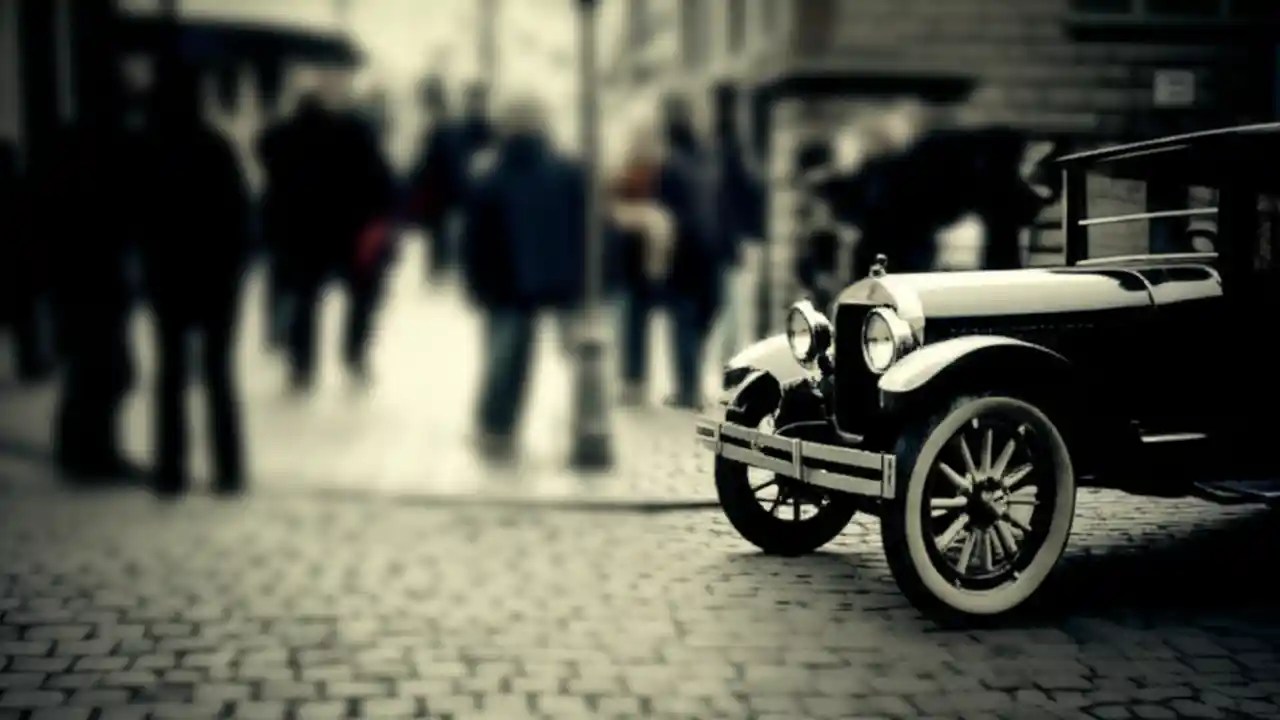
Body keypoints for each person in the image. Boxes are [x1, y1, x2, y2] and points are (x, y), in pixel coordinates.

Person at [134, 66, 252, 495]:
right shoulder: (216, 148)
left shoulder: (150, 150)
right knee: (218, 373)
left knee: (171, 374)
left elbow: (138, 218)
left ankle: (171, 468)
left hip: (170, 276)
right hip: (216, 278)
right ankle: (228, 469)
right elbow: (241, 217)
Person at [32, 72, 143, 480]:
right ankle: (89, 450)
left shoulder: (72, 145)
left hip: (83, 274)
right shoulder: (100, 150)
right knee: (103, 367)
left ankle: (86, 448)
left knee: (95, 367)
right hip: (91, 274)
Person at [460, 95, 585, 459]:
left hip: (514, 282)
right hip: (522, 281)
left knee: (509, 359)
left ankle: (497, 427)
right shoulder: (554, 169)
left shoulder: (497, 171)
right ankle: (497, 427)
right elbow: (476, 235)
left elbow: (473, 237)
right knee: (512, 359)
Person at [257, 67, 396, 390]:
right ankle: (354, 357)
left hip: (306, 233)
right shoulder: (358, 131)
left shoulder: (284, 134)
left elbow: (269, 163)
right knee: (360, 297)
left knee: (306, 299)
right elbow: (382, 181)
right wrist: (380, 219)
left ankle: (303, 365)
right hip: (350, 232)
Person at [657, 94, 726, 411]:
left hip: (683, 251)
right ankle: (692, 386)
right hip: (711, 251)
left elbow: (664, 214)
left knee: (684, 322)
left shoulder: (670, 163)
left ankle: (689, 389)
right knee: (699, 319)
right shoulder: (710, 157)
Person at [608, 118, 673, 406]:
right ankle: (631, 382)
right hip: (629, 263)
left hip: (644, 264)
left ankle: (635, 382)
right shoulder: (623, 175)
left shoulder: (658, 174)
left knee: (636, 327)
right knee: (630, 326)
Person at [408, 80, 494, 284]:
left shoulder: (488, 131)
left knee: (463, 232)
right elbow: (430, 162)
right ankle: (440, 269)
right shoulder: (451, 130)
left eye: (480, 101)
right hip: (446, 192)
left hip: (468, 193)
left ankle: (457, 267)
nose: (476, 106)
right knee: (441, 233)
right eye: (473, 101)